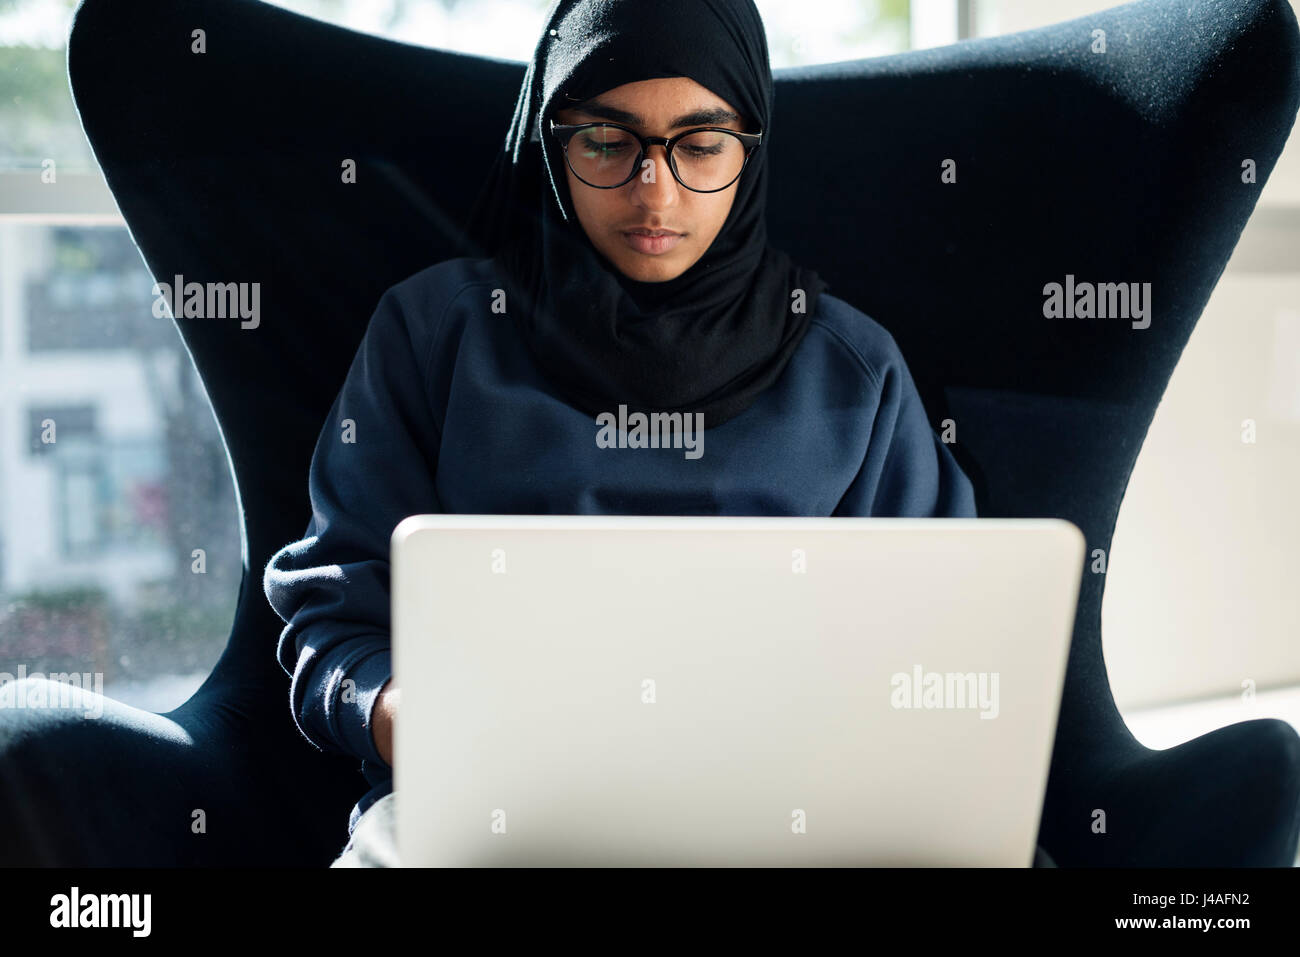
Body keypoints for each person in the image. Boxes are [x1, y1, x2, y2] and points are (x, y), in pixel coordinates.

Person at [263, 0, 983, 868]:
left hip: (781, 824)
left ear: (752, 152)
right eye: (607, 141)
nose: (656, 190)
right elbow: (331, 625)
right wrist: (397, 712)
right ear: (550, 141)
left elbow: (944, 647)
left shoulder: (853, 370)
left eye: (702, 144)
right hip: (492, 822)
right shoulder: (435, 333)